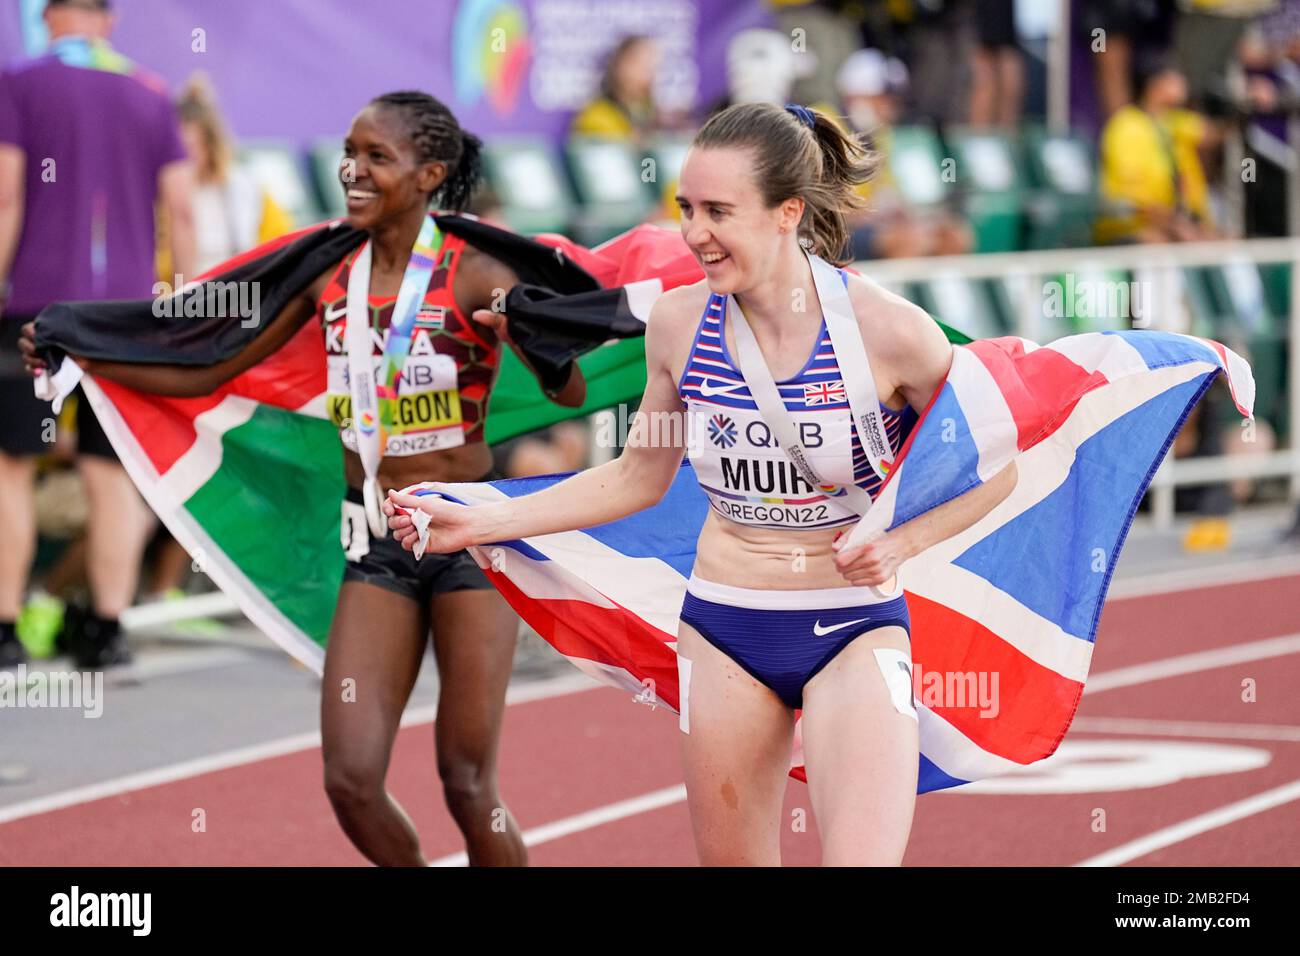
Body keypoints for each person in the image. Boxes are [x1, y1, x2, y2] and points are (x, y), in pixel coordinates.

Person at [384, 102, 1017, 866]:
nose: (694, 233)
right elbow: (637, 476)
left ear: (788, 212)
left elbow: (994, 466)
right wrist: (478, 522)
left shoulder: (890, 332)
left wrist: (903, 542)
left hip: (854, 626)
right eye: (687, 209)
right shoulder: (680, 325)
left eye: (719, 211)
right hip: (725, 626)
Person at [22, 91, 586, 867]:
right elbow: (208, 367)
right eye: (350, 151)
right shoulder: (326, 276)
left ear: (429, 175)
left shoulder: (474, 272)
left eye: (376, 157)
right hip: (376, 541)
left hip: (468, 539)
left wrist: (526, 333)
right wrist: (83, 353)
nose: (353, 169)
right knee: (351, 780)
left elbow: (571, 391)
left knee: (465, 781)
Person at [0, 0, 196, 670]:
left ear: (48, 15)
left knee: (12, 467)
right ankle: (108, 629)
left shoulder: (20, 83)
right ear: (106, 20)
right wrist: (188, 307)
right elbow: (183, 210)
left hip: (34, 308)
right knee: (111, 473)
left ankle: (4, 631)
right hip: (125, 315)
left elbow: (6, 195)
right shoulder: (149, 91)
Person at [1095, 56, 1219, 244]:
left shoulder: (1175, 121)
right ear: (1154, 84)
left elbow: (1215, 133)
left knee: (1225, 243)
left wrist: (1243, 107)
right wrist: (1178, 225)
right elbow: (1134, 201)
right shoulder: (1126, 126)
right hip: (1134, 225)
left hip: (1180, 221)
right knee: (1160, 243)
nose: (1183, 82)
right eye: (1175, 77)